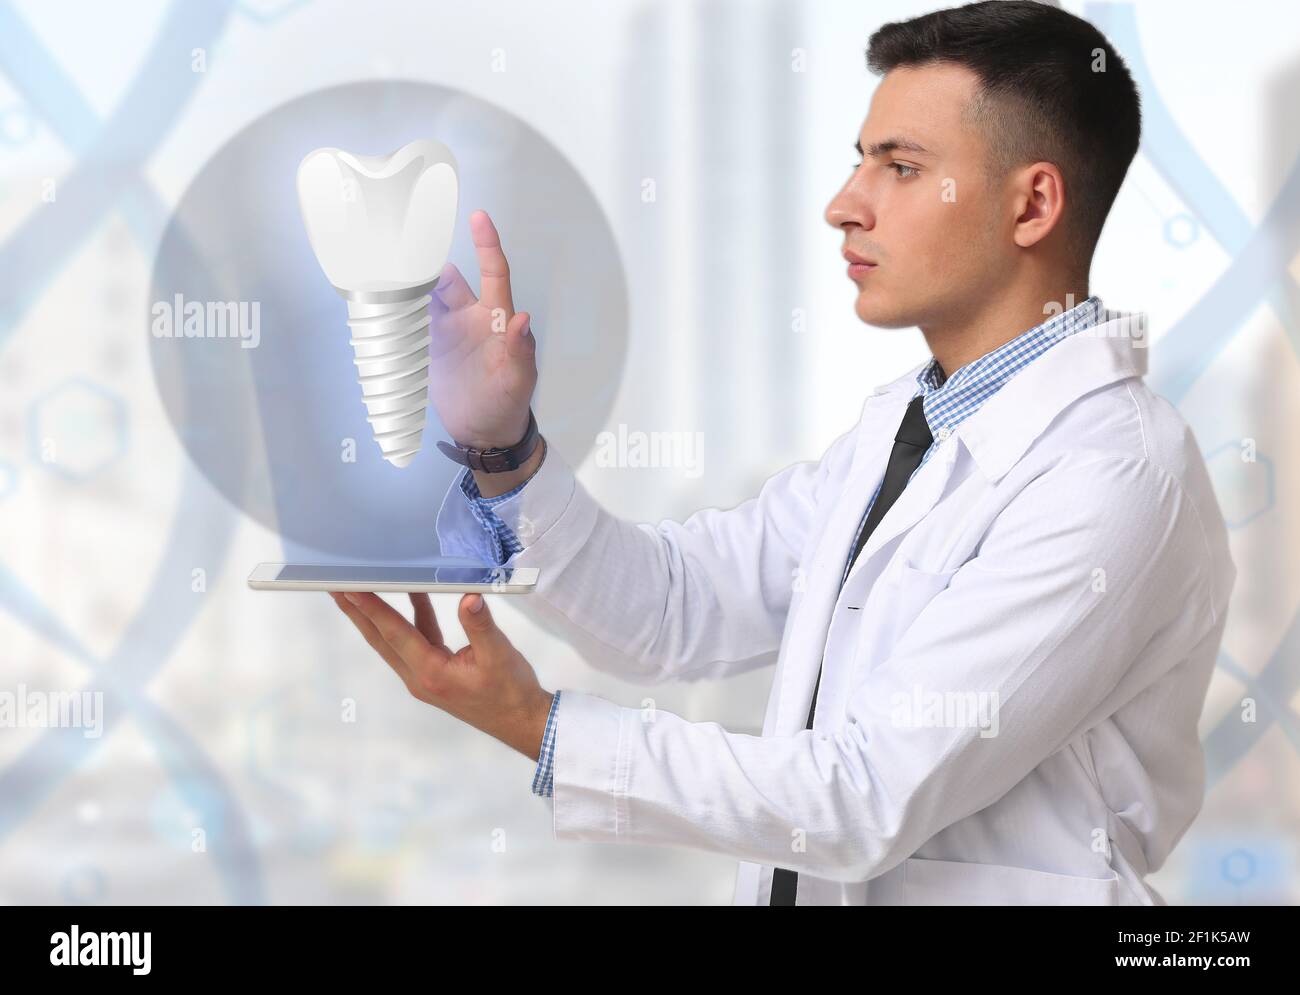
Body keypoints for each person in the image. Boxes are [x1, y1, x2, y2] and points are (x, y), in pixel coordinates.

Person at [331, 0, 1235, 905]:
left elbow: (861, 794)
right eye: (859, 160)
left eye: (901, 167)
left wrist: (540, 726)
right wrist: (501, 443)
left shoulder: (1113, 474)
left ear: (1031, 203)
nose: (845, 205)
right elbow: (674, 608)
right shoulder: (904, 431)